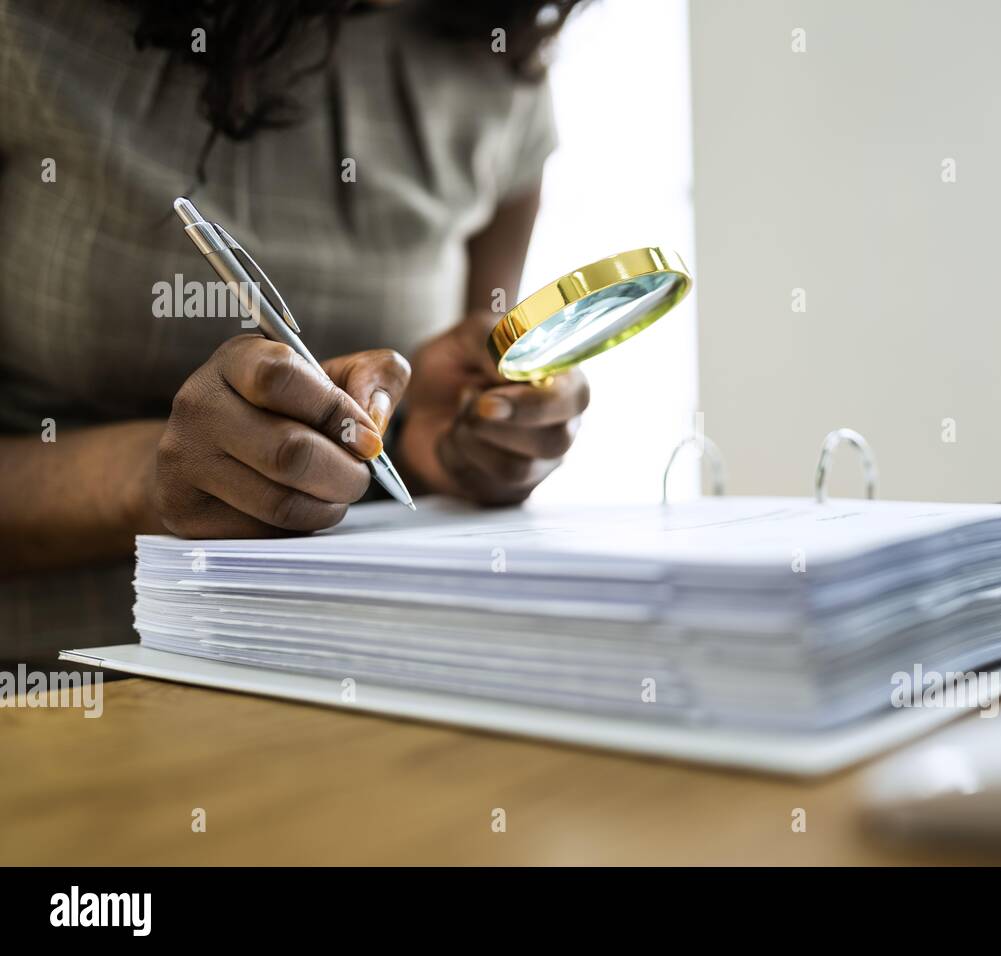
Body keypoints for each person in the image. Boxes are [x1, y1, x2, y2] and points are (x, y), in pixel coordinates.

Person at [0, 0, 588, 661]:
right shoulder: (35, 27)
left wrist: (450, 442)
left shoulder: (497, 57)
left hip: (366, 662)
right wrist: (146, 481)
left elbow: (453, 398)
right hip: (50, 691)